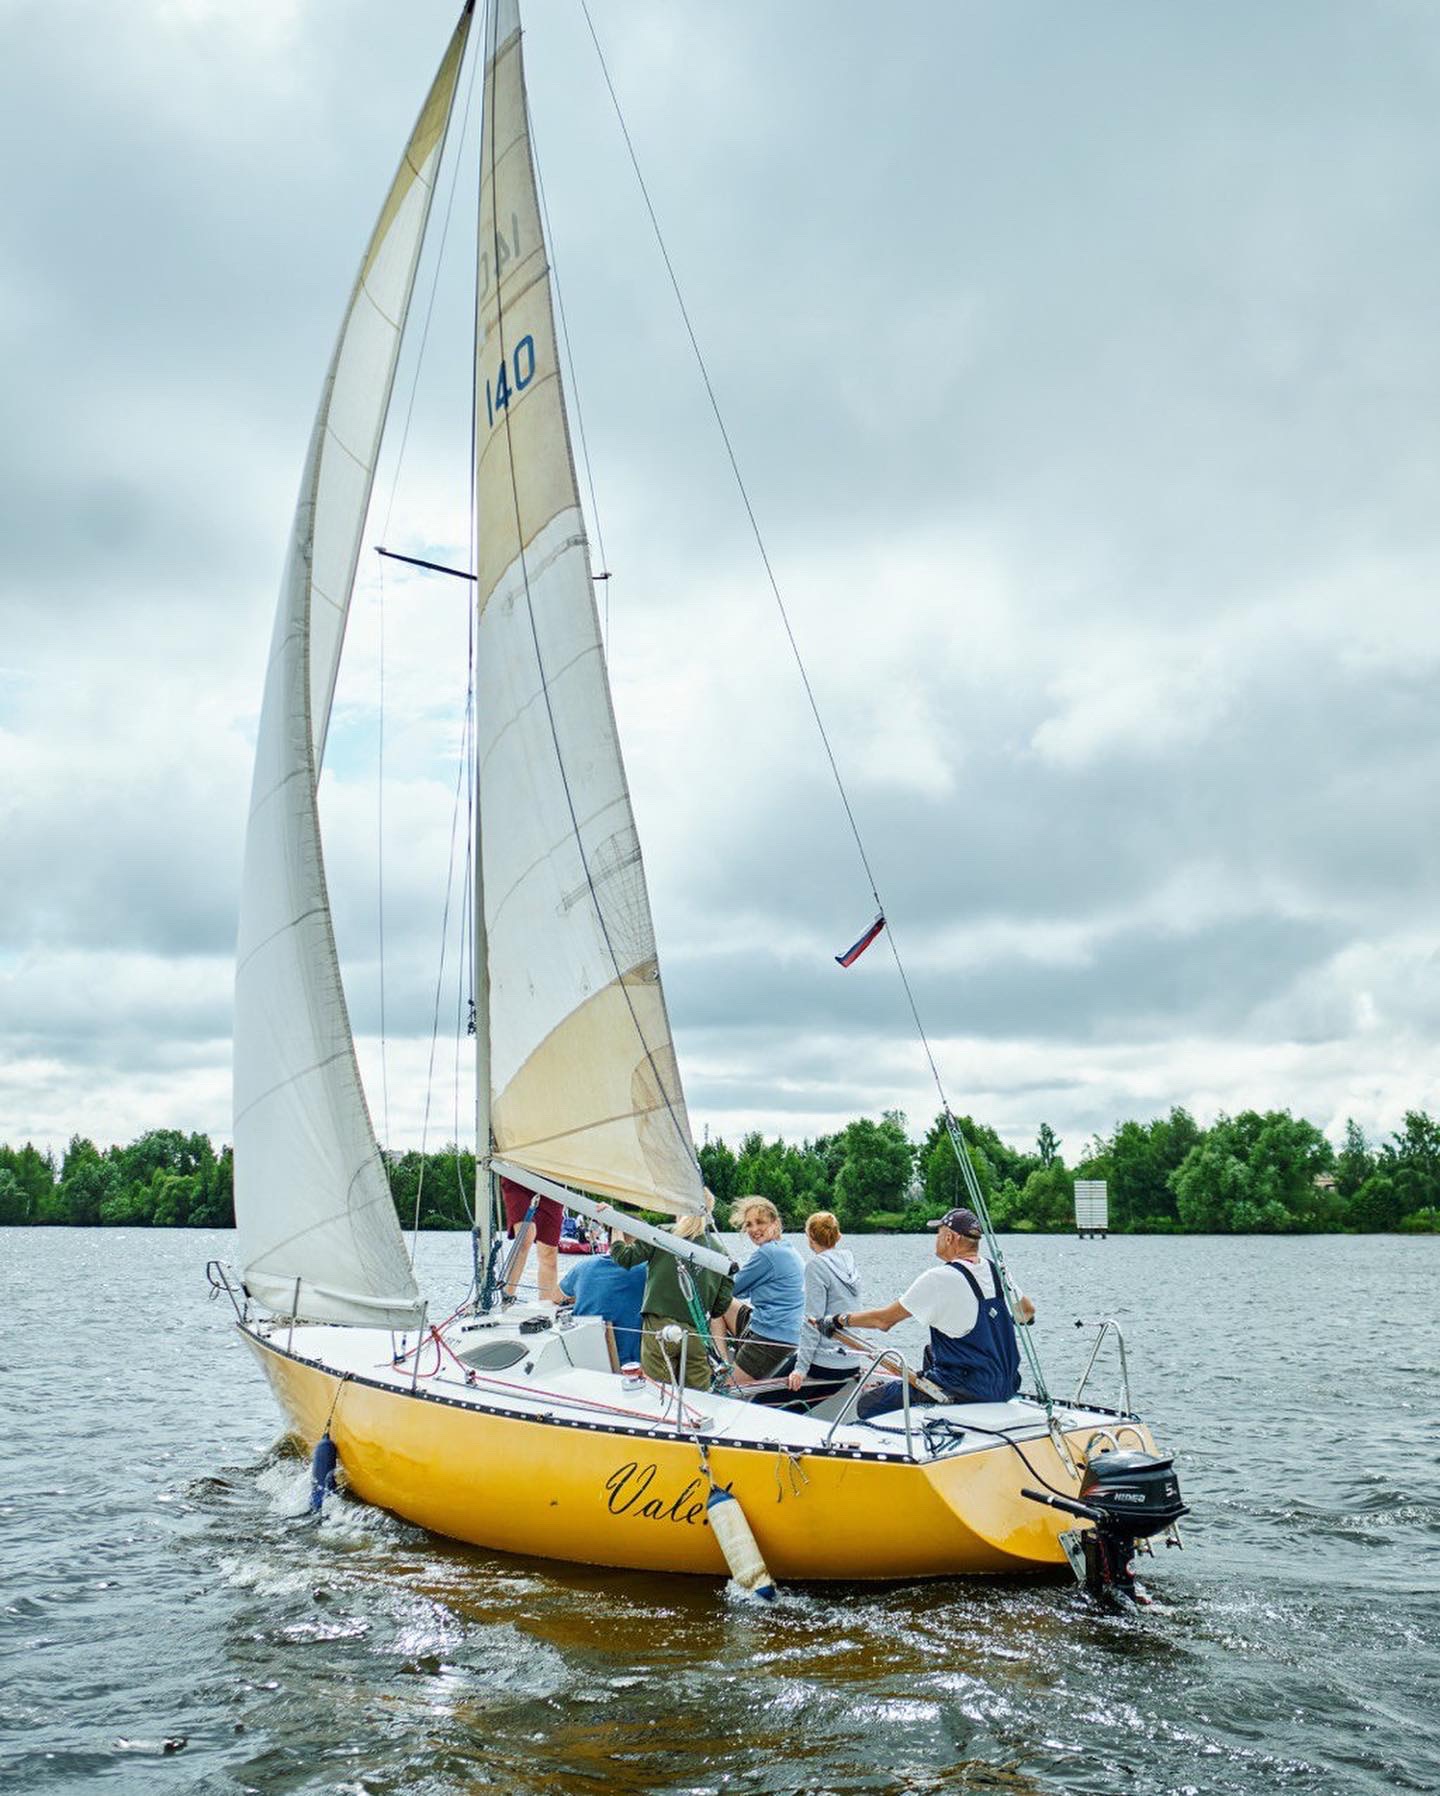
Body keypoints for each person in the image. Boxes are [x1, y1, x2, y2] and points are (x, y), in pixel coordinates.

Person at [827, 1207, 1035, 1419]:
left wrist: (840, 1320)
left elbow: (884, 1321)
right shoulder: (996, 1269)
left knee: (868, 1404)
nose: (935, 1238)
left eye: (938, 1233)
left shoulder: (939, 1278)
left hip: (966, 1388)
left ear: (950, 1238)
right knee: (931, 1351)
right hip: (1005, 1386)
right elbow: (1027, 1313)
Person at [610, 1211, 734, 1390]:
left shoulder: (662, 1234)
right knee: (699, 1398)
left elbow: (624, 1258)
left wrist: (615, 1226)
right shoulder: (720, 1253)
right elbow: (720, 1307)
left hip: (660, 1329)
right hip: (696, 1335)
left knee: (661, 1393)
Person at [784, 1211, 865, 1404]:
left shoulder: (816, 1267)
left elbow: (813, 1322)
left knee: (768, 1392)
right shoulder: (849, 1262)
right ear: (838, 1236)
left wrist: (801, 1369)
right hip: (852, 1362)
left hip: (828, 1364)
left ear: (810, 1238)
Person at [723, 1197, 804, 1386]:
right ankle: (726, 1365)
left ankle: (727, 1374)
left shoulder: (767, 1253)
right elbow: (737, 1293)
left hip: (771, 1338)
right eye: (749, 1224)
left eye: (760, 1222)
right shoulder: (787, 1248)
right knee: (723, 1306)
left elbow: (734, 1288)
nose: (753, 1229)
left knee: (726, 1389)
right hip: (787, 1333)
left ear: (775, 1223)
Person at [557, 1246, 646, 1364]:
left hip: (582, 1359)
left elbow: (556, 1296)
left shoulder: (584, 1265)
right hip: (630, 1364)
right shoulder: (645, 1270)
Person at [501, 1175, 564, 1304]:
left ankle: (547, 1306)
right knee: (525, 1236)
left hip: (553, 1179)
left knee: (549, 1252)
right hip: (519, 1174)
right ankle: (507, 1298)